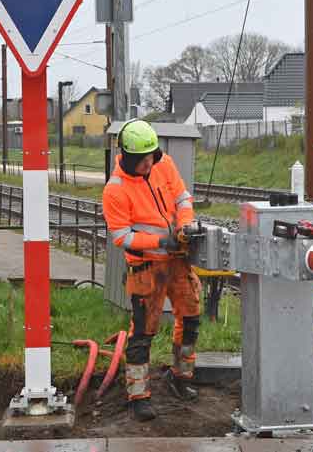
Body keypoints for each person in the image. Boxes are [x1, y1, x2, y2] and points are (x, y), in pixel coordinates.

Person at [102, 119, 201, 422]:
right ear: (129, 159)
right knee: (143, 331)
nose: (150, 163)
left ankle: (181, 377)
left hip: (177, 259)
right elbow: (123, 237)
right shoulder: (115, 190)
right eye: (144, 160)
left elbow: (182, 198)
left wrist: (184, 225)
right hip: (146, 267)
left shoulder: (163, 163)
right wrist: (160, 240)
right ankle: (138, 395)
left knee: (191, 317)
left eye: (153, 157)